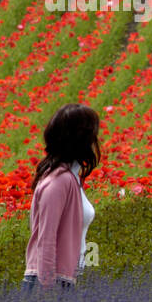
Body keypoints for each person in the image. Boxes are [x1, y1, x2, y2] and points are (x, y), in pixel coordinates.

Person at [24, 104, 100, 290]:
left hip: (62, 278)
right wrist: (47, 290)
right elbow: (47, 238)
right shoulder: (59, 181)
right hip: (49, 282)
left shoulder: (69, 178)